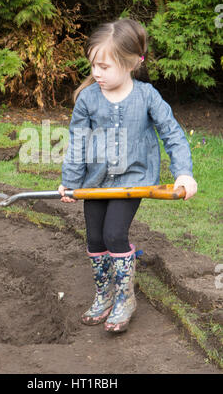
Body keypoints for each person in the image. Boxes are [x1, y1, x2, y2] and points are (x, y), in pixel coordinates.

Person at [58, 18, 197, 333]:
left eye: (105, 67)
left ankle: (125, 298)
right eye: (93, 64)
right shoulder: (88, 99)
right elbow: (78, 143)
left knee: (114, 235)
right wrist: (70, 181)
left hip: (133, 183)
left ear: (133, 62)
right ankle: (104, 294)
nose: (96, 73)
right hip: (94, 184)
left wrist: (184, 174)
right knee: (94, 238)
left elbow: (173, 135)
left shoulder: (147, 97)